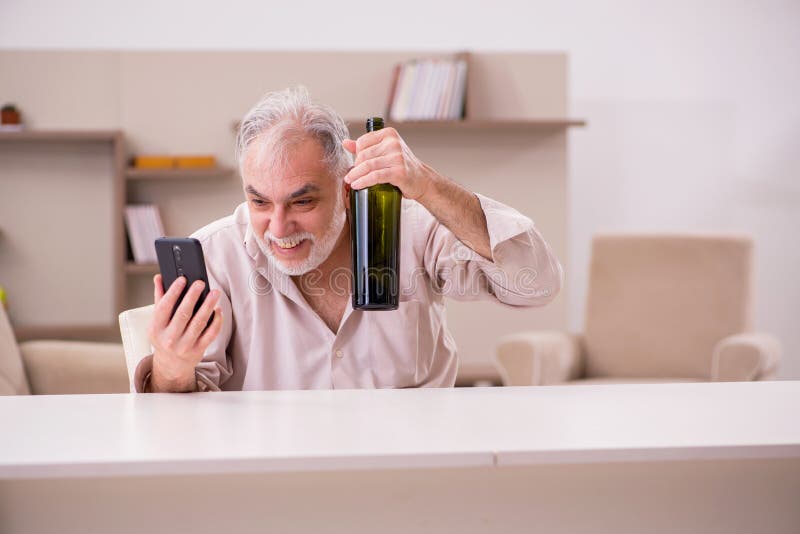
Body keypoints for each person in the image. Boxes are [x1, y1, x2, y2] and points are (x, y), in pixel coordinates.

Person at [135, 86, 563, 392]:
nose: (279, 229)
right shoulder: (217, 255)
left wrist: (426, 185)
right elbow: (178, 421)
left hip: (410, 467)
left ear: (347, 187)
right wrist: (173, 366)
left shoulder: (411, 228)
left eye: (302, 203)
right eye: (260, 202)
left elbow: (537, 283)